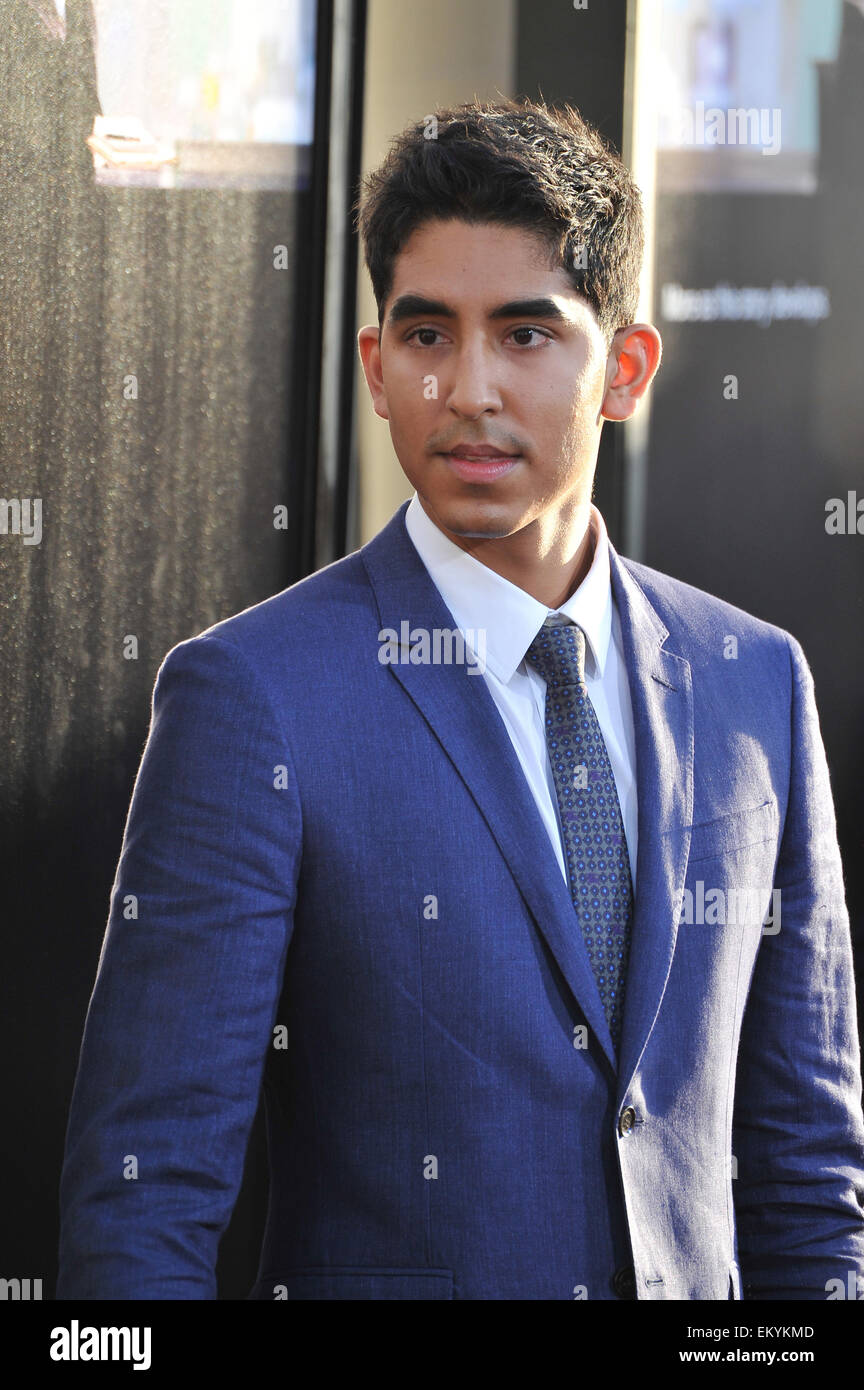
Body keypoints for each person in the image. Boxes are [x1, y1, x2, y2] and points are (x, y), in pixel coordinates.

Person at [57, 96, 864, 1301]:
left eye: (528, 335)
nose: (468, 388)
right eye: (428, 335)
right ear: (378, 369)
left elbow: (807, 1176)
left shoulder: (752, 681)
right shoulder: (253, 699)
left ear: (626, 369)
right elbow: (144, 1193)